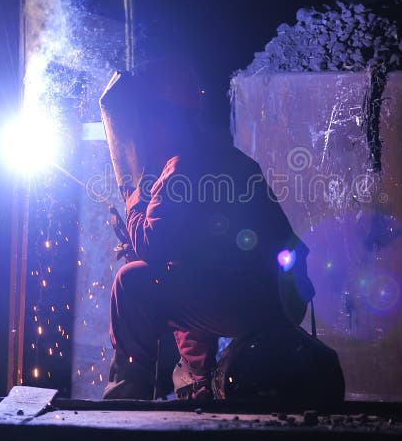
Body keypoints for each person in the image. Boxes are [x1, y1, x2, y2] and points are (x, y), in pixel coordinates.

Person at [99, 63, 314, 400]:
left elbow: (152, 244)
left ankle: (127, 396)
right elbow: (184, 254)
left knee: (132, 282)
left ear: (161, 123)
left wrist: (132, 196)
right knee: (174, 273)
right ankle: (198, 384)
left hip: (253, 300)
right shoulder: (229, 159)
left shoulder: (183, 166)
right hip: (276, 298)